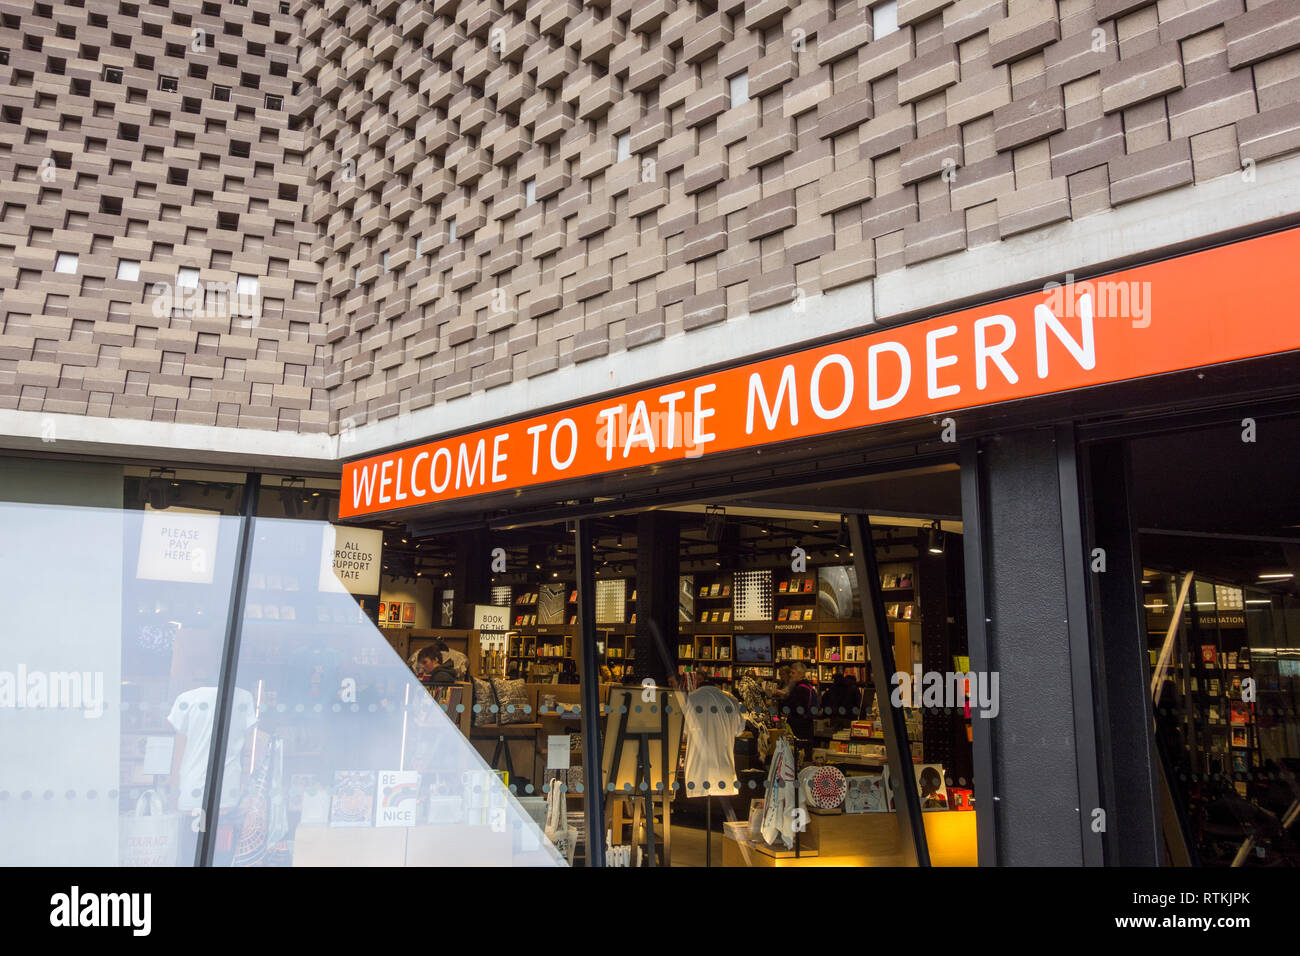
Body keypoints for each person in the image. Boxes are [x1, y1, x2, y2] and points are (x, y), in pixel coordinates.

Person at [782, 662, 818, 752]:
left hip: (799, 729)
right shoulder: (808, 687)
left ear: (801, 674)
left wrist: (785, 700)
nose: (790, 675)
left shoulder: (800, 689)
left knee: (798, 757)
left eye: (793, 673)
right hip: (806, 727)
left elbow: (794, 708)